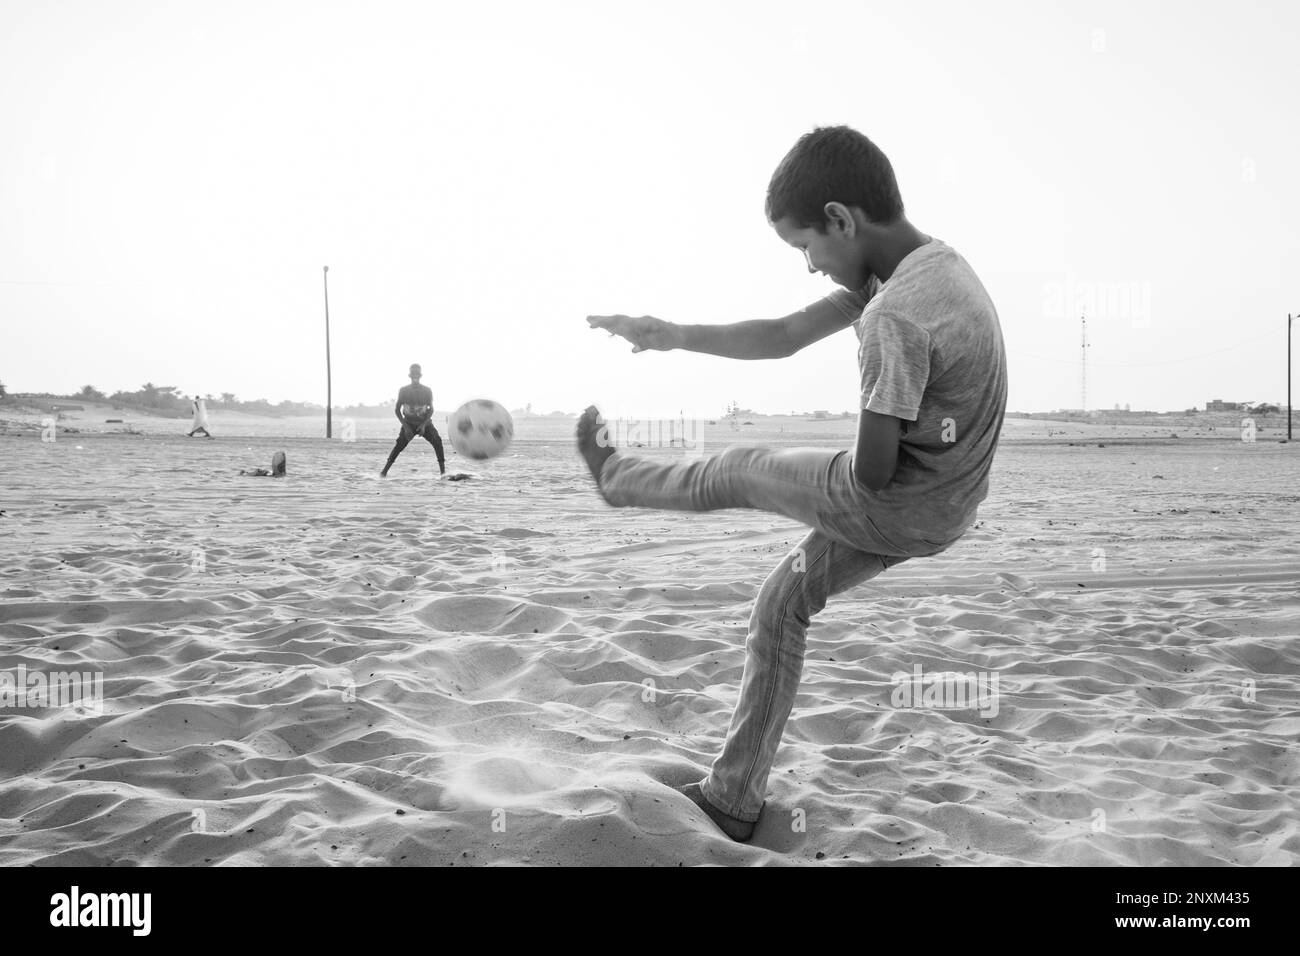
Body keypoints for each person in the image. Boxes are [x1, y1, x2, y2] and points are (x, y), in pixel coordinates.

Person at [579, 125, 1007, 842]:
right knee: (781, 607)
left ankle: (621, 478)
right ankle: (733, 797)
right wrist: (673, 333)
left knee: (741, 467)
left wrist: (871, 418)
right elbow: (781, 336)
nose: (810, 266)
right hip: (947, 505)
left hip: (892, 498)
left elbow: (871, 471)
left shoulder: (895, 312)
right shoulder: (928, 268)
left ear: (840, 219)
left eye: (806, 247)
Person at [380, 363, 446, 477]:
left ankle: (443, 473)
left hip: (424, 423)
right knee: (399, 445)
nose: (415, 377)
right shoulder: (404, 390)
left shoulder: (427, 390)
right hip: (409, 423)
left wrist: (424, 425)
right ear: (410, 376)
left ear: (420, 376)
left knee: (437, 441)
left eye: (417, 375)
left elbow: (431, 409)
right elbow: (397, 410)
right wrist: (406, 427)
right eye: (413, 375)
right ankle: (384, 472)